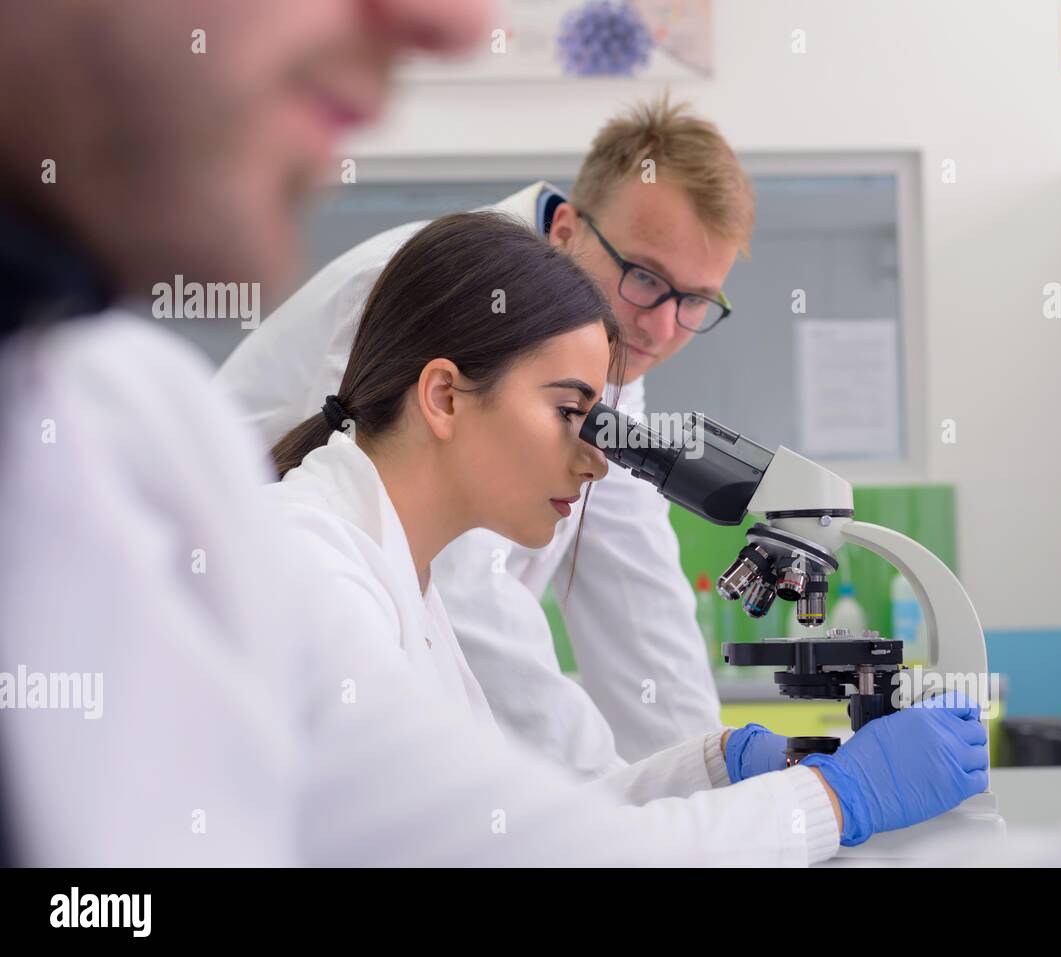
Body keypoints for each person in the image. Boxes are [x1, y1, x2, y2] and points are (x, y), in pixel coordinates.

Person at [258, 208, 991, 858]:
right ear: (445, 396)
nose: (597, 461)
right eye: (570, 412)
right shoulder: (316, 573)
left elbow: (520, 831)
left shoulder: (403, 584)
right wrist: (833, 800)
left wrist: (715, 763)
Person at [217, 96, 751, 774]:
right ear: (566, 228)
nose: (662, 325)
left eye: (696, 300)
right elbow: (473, 599)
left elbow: (636, 593)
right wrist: (618, 802)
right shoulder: (442, 292)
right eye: (646, 277)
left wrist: (712, 769)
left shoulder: (600, 346)